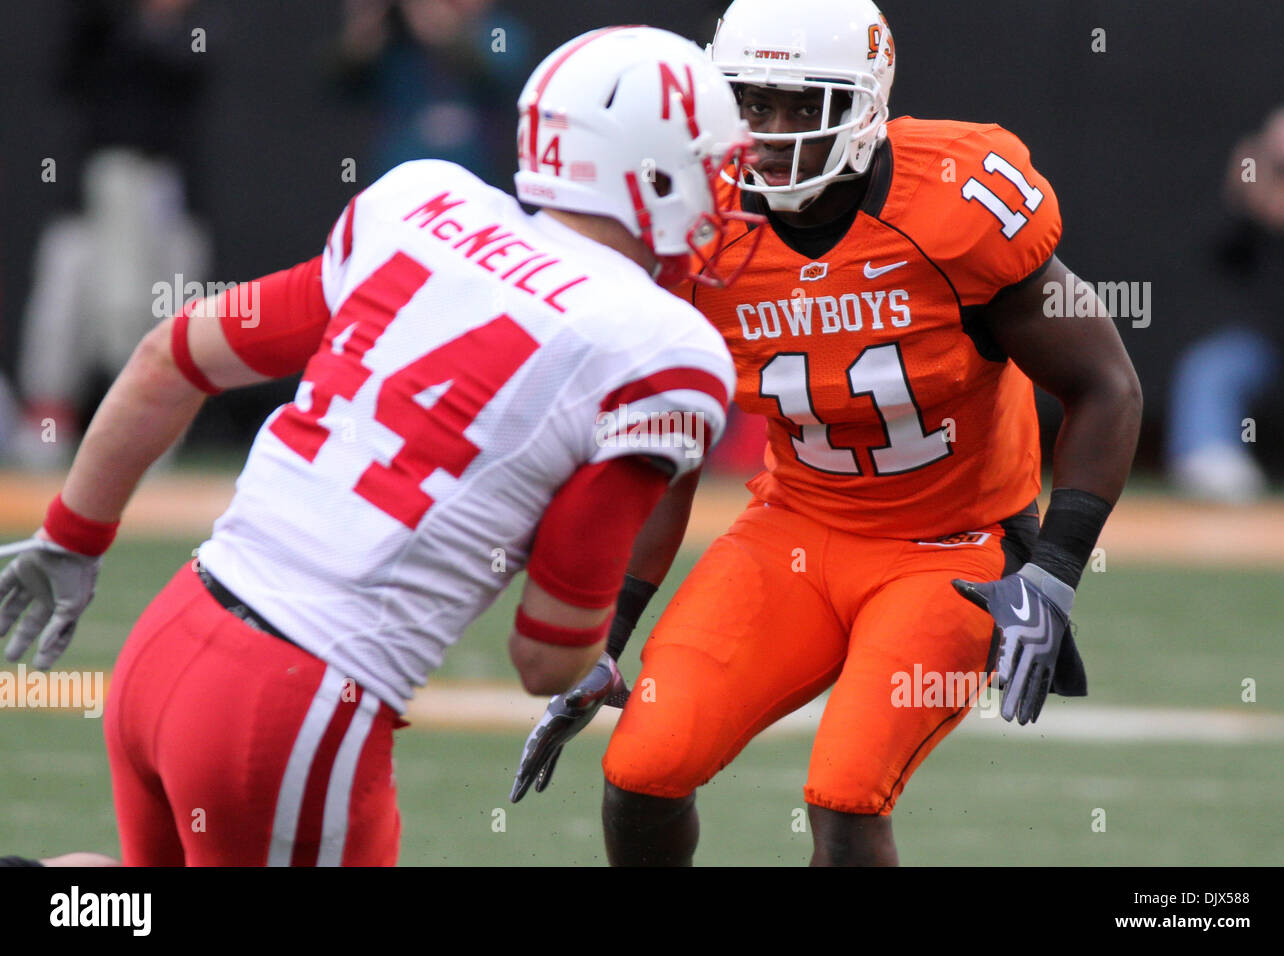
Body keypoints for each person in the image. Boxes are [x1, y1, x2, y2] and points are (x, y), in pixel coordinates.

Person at [0, 25, 761, 866]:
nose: (728, 195)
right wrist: (593, 662)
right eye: (716, 169)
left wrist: (72, 536)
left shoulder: (426, 206)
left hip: (173, 631)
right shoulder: (657, 348)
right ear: (653, 176)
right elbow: (546, 652)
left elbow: (169, 358)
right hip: (293, 703)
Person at [512, 0, 1143, 866]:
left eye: (803, 106)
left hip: (953, 547)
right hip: (795, 530)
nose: (771, 133)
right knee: (643, 770)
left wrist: (1056, 571)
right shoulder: (699, 221)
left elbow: (1106, 385)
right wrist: (604, 637)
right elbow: (667, 454)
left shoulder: (955, 202)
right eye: (753, 104)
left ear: (866, 107)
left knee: (846, 800)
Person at [1166, 104, 1284, 503]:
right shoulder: (1250, 218)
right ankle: (1210, 457)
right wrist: (1249, 196)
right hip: (1263, 346)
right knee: (1209, 366)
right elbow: (1215, 257)